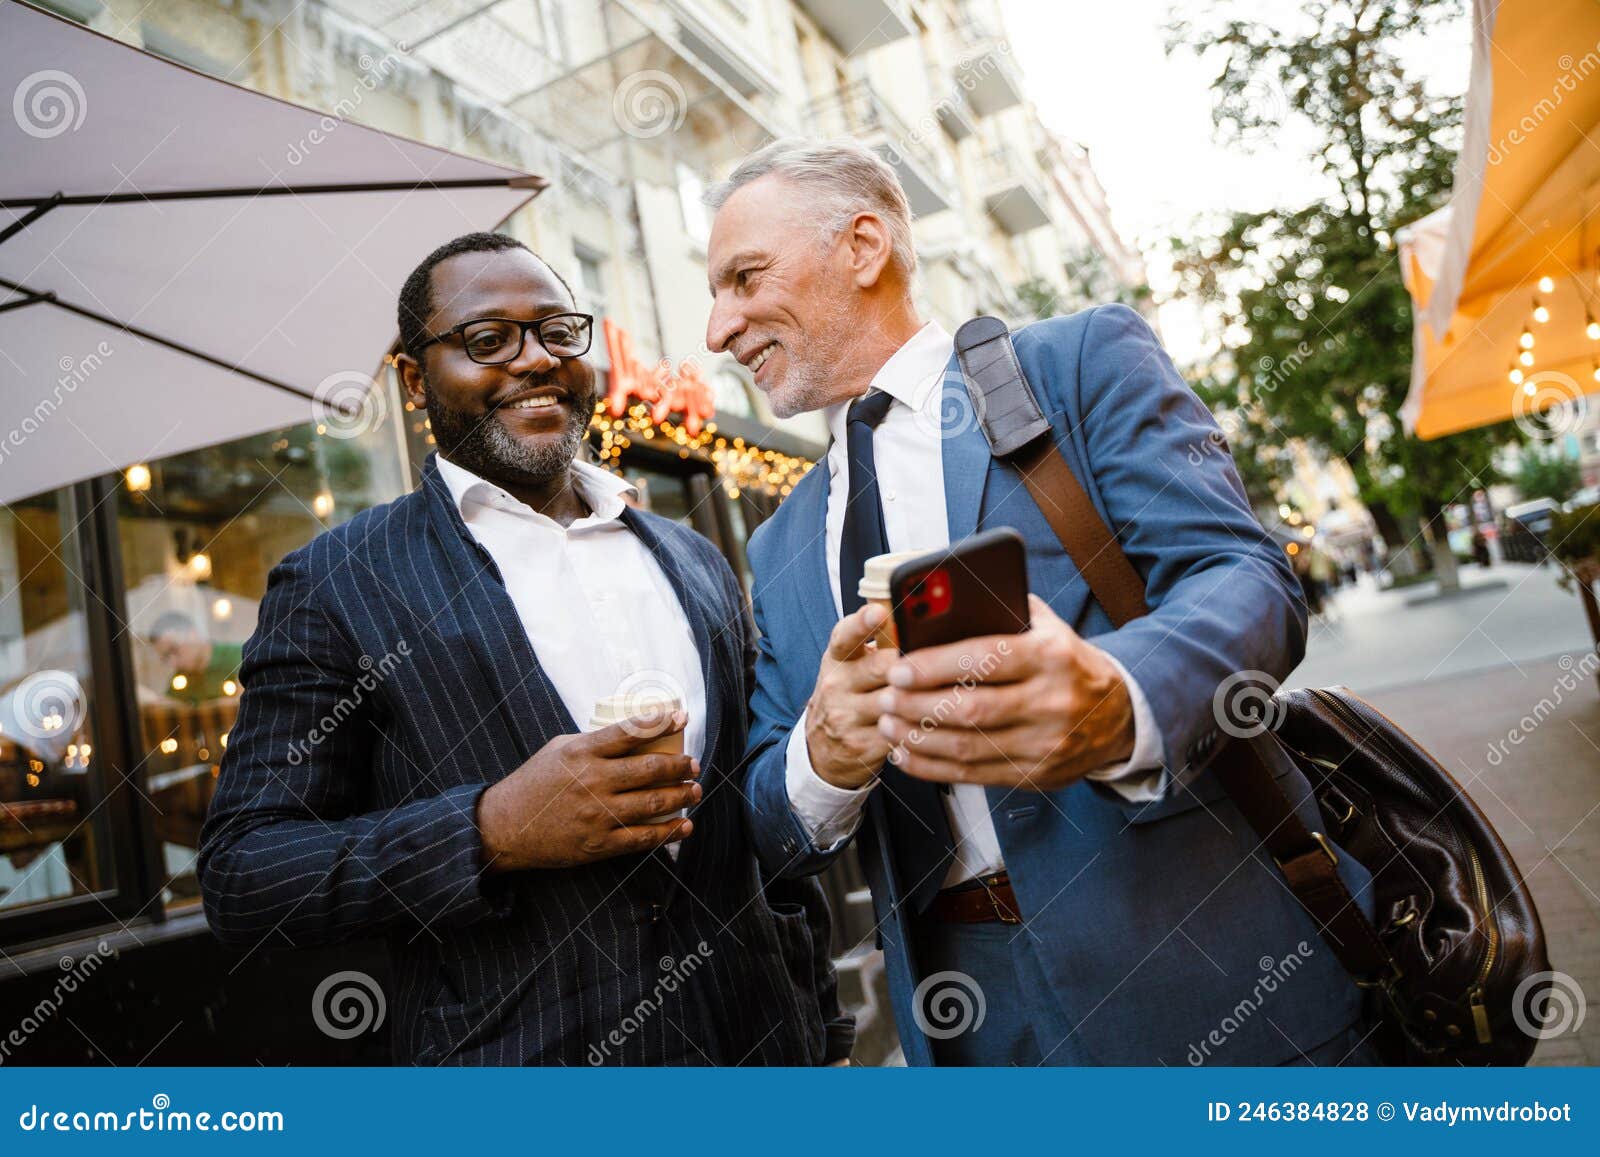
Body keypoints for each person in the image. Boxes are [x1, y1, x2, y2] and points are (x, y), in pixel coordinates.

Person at [706, 140, 1377, 1066]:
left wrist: (1116, 698)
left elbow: (1244, 577)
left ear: (863, 246)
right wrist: (823, 753)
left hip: (1203, 954)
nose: (718, 328)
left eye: (745, 278)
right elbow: (772, 821)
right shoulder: (780, 541)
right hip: (972, 1023)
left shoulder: (1076, 364)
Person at [198, 233, 851, 1066]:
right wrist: (492, 828)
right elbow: (244, 875)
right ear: (413, 378)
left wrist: (822, 1027)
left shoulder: (691, 557)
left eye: (556, 332)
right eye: (487, 340)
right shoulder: (337, 584)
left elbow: (760, 831)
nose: (535, 360)